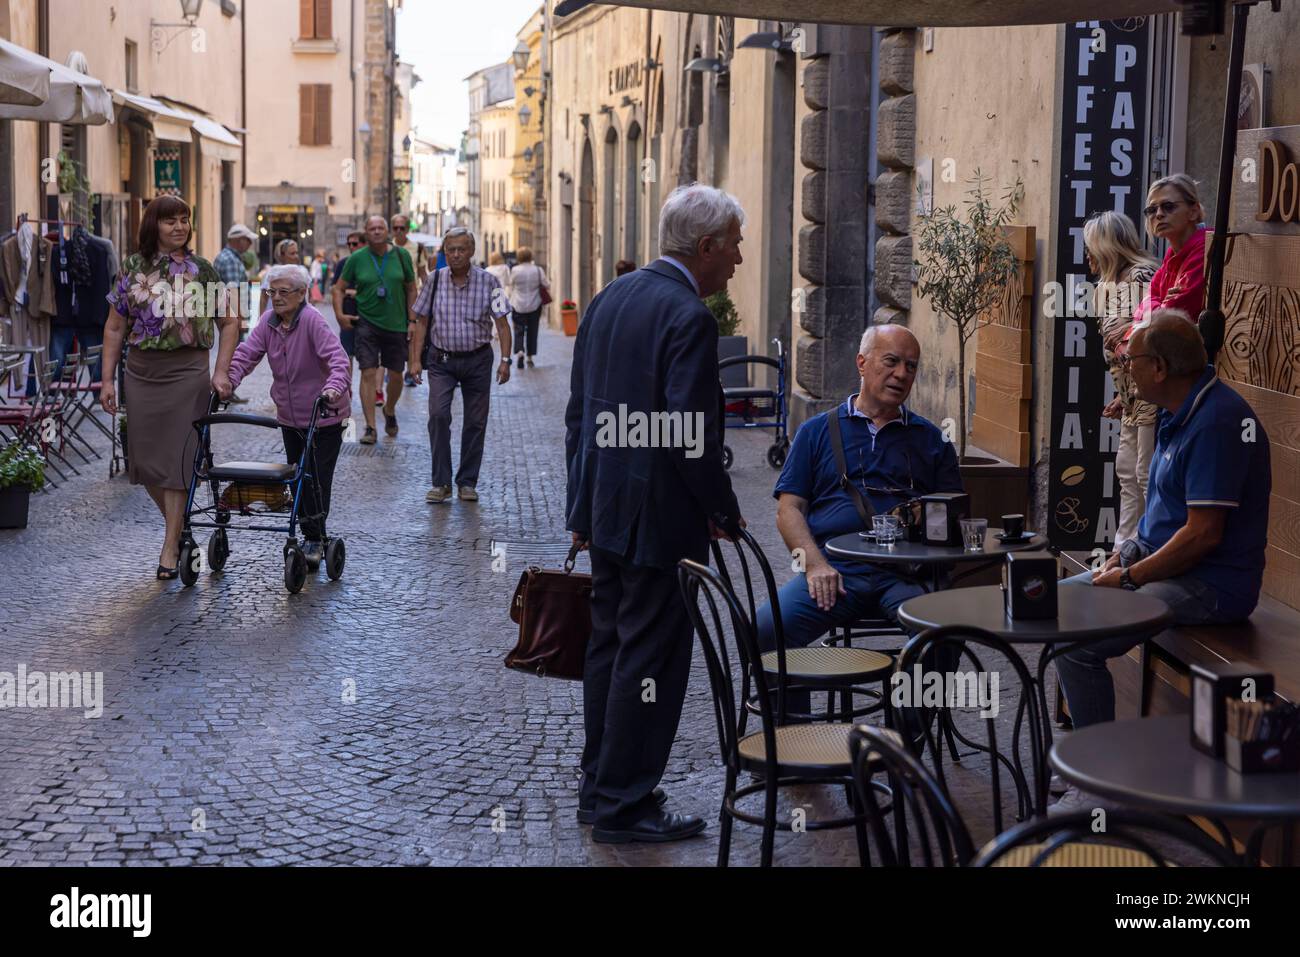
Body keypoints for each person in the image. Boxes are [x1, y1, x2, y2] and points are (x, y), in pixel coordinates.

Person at [566, 183, 745, 844]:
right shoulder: (690, 317)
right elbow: (690, 436)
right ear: (705, 246)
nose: (739, 260)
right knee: (648, 662)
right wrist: (722, 510)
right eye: (733, 245)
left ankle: (599, 789)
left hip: (609, 510)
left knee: (610, 649)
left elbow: (578, 414)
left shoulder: (610, 297)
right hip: (659, 520)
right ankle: (624, 803)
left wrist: (578, 509)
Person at [1056, 311, 1270, 737]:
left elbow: (1203, 535)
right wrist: (1127, 553)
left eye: (1129, 359)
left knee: (1077, 644)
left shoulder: (1217, 423)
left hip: (1212, 585)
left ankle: (1098, 781)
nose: (1123, 366)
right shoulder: (1178, 411)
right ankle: (1088, 761)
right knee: (1056, 606)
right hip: (1164, 567)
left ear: (1159, 367)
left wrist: (1130, 576)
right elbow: (1162, 515)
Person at [755, 325, 963, 714]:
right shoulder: (817, 431)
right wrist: (814, 565)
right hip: (835, 573)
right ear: (862, 364)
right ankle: (792, 734)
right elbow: (789, 510)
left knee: (944, 635)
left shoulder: (932, 440)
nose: (901, 374)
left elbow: (952, 517)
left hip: (905, 577)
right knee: (769, 626)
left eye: (911, 366)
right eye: (891, 361)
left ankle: (904, 746)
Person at [100, 196, 239, 579]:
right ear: (153, 225)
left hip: (187, 374)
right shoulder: (132, 267)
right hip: (141, 373)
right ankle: (179, 526)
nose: (179, 227)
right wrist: (107, 378)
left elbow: (231, 321)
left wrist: (222, 372)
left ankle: (169, 544)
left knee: (178, 461)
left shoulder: (203, 270)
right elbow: (114, 326)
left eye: (184, 220)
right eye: (170, 221)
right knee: (144, 462)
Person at [218, 265, 351, 571]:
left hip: (325, 416)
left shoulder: (313, 322)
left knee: (316, 478)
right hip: (291, 417)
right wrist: (229, 380)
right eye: (271, 291)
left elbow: (338, 360)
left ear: (302, 293)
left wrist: (331, 389)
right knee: (298, 476)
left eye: (283, 292)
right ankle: (310, 535)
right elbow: (247, 354)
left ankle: (315, 538)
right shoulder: (269, 322)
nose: (276, 298)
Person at [408, 227, 511, 502]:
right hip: (441, 360)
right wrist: (415, 359)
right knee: (439, 415)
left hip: (478, 359)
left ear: (471, 251)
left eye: (461, 249)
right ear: (444, 251)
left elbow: (502, 323)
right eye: (450, 249)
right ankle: (441, 483)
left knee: (476, 422)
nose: (455, 254)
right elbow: (421, 321)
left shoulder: (490, 282)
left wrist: (506, 360)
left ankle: (467, 481)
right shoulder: (434, 280)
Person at [1083, 211, 1159, 548]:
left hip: (1154, 393)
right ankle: (1124, 550)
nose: (1087, 256)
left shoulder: (1141, 276)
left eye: (1091, 247)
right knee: (1127, 472)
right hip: (1132, 396)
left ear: (1107, 247)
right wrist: (1122, 393)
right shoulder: (1107, 286)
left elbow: (1154, 337)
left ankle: (1153, 552)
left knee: (1147, 475)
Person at [334, 215, 417, 445]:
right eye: (372, 228)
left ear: (388, 231)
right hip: (366, 323)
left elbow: (411, 288)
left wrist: (412, 319)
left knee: (397, 375)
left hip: (396, 323)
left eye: (381, 228)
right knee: (368, 372)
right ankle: (370, 426)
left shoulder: (401, 256)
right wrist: (340, 316)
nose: (377, 232)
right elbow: (338, 289)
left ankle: (389, 410)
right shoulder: (357, 259)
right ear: (366, 232)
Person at [1124, 174, 1209, 341]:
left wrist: (1159, 306)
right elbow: (1144, 306)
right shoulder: (1172, 254)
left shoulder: (1205, 248)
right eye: (1152, 210)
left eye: (1168, 206)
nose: (1159, 214)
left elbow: (1174, 318)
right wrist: (1161, 305)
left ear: (1193, 212)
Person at [212, 223, 258, 403]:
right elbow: (233, 291)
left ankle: (227, 389)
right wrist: (240, 319)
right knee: (233, 353)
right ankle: (225, 390)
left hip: (231, 315)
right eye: (248, 240)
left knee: (232, 353)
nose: (249, 245)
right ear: (239, 240)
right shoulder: (230, 259)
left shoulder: (229, 257)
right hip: (233, 315)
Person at [330, 231, 365, 384]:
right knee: (346, 354)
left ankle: (376, 391)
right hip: (347, 313)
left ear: (364, 244)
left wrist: (350, 292)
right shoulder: (343, 264)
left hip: (367, 316)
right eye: (349, 244)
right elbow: (335, 289)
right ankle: (347, 387)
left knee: (369, 359)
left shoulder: (370, 264)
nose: (351, 247)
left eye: (355, 243)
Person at [507, 246, 549, 369]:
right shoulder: (538, 270)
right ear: (531, 256)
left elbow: (510, 284)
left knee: (518, 330)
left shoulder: (515, 270)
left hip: (518, 304)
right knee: (532, 330)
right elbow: (546, 284)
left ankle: (520, 352)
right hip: (534, 304)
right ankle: (530, 357)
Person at [257, 238, 301, 321]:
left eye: (296, 253)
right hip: (274, 320)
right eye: (292, 253)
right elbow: (264, 298)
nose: (296, 256)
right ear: (282, 255)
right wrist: (261, 320)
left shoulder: (301, 273)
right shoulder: (272, 273)